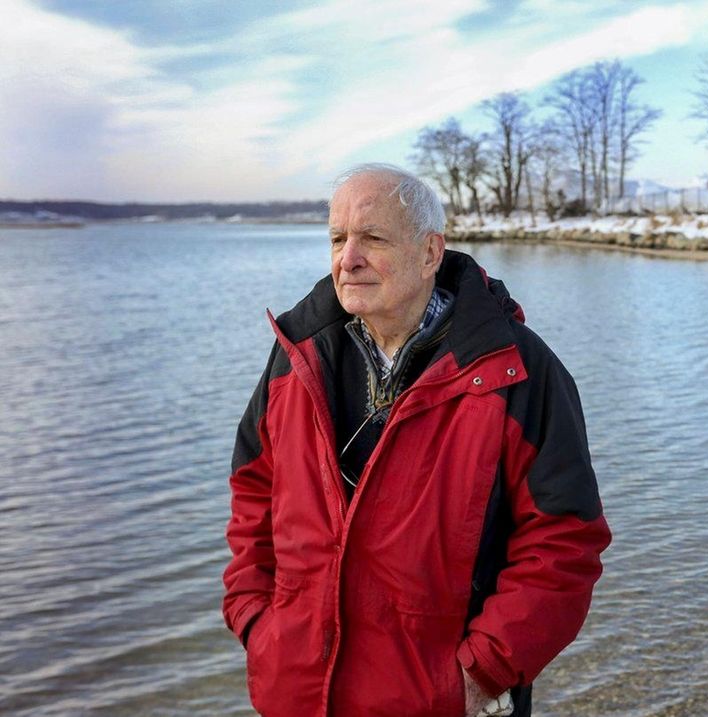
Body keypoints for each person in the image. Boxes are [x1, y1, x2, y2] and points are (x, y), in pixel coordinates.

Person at [221, 163, 610, 716]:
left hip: (438, 701)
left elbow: (564, 541)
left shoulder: (517, 370)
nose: (346, 259)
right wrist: (256, 618)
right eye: (337, 238)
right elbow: (253, 490)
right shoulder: (296, 355)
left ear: (430, 253)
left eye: (372, 238)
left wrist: (482, 673)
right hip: (301, 692)